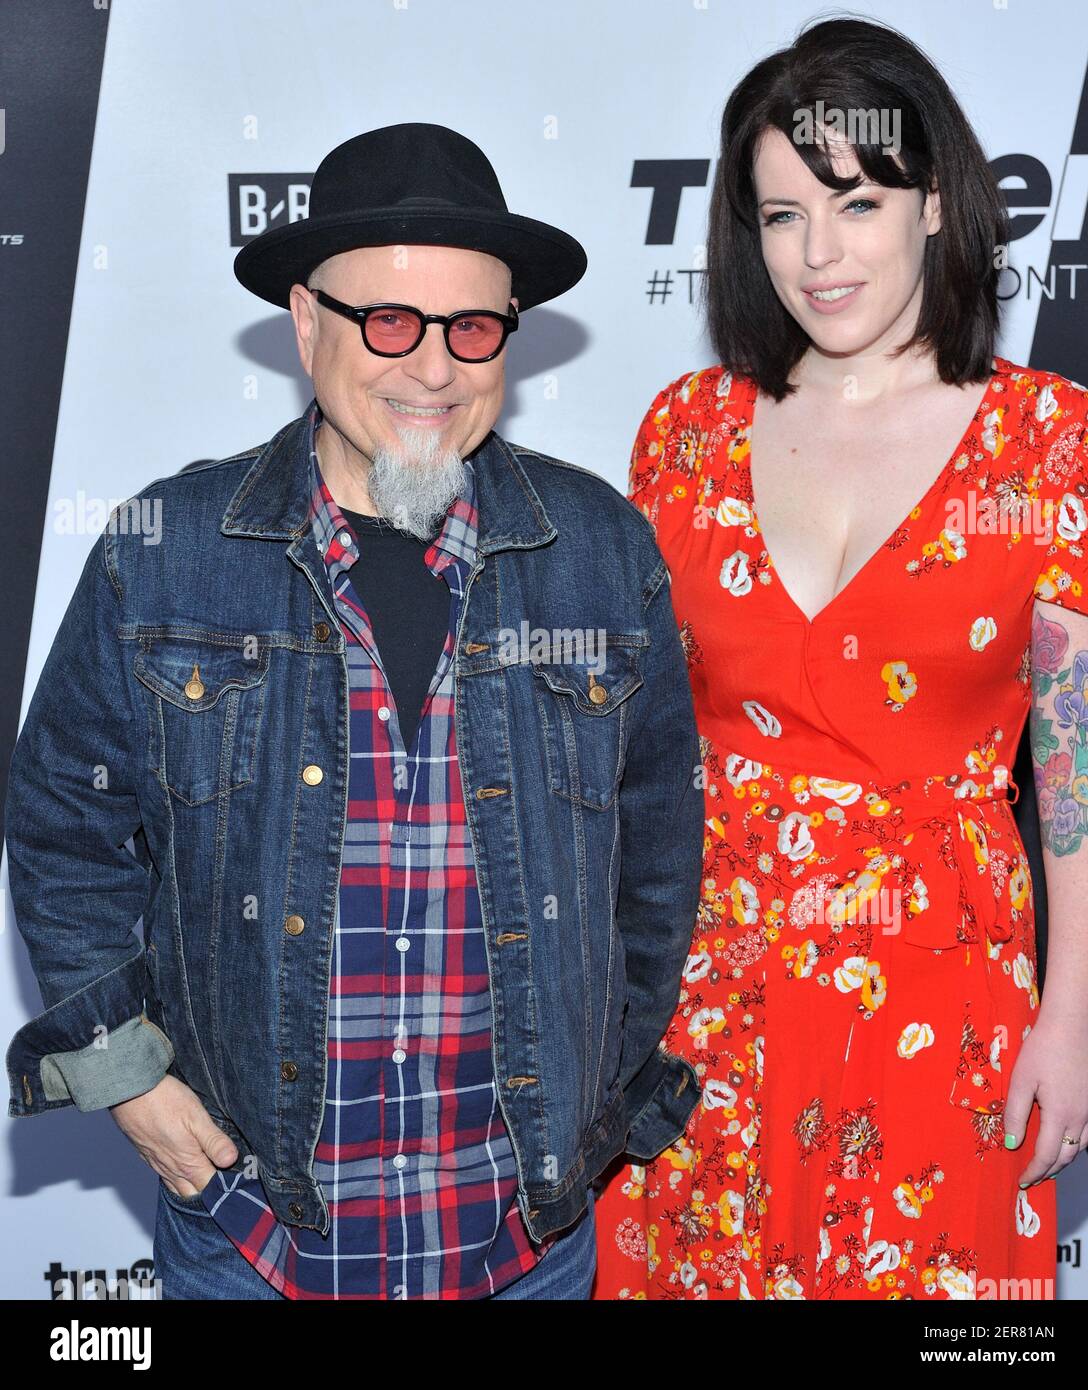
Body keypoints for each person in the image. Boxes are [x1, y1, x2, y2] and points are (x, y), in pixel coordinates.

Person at [5, 123, 704, 1300]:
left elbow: (655, 859)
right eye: (389, 321)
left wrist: (591, 1096)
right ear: (306, 320)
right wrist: (131, 1082)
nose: (431, 368)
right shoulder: (167, 555)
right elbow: (65, 829)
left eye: (471, 328)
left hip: (521, 1245)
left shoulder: (598, 551)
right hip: (254, 1243)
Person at [592, 17, 1088, 1300]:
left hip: (941, 995)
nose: (817, 256)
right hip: (697, 996)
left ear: (937, 203)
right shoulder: (686, 435)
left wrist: (1073, 1017)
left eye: (857, 204)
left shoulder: (1052, 442)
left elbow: (1080, 763)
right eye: (779, 215)